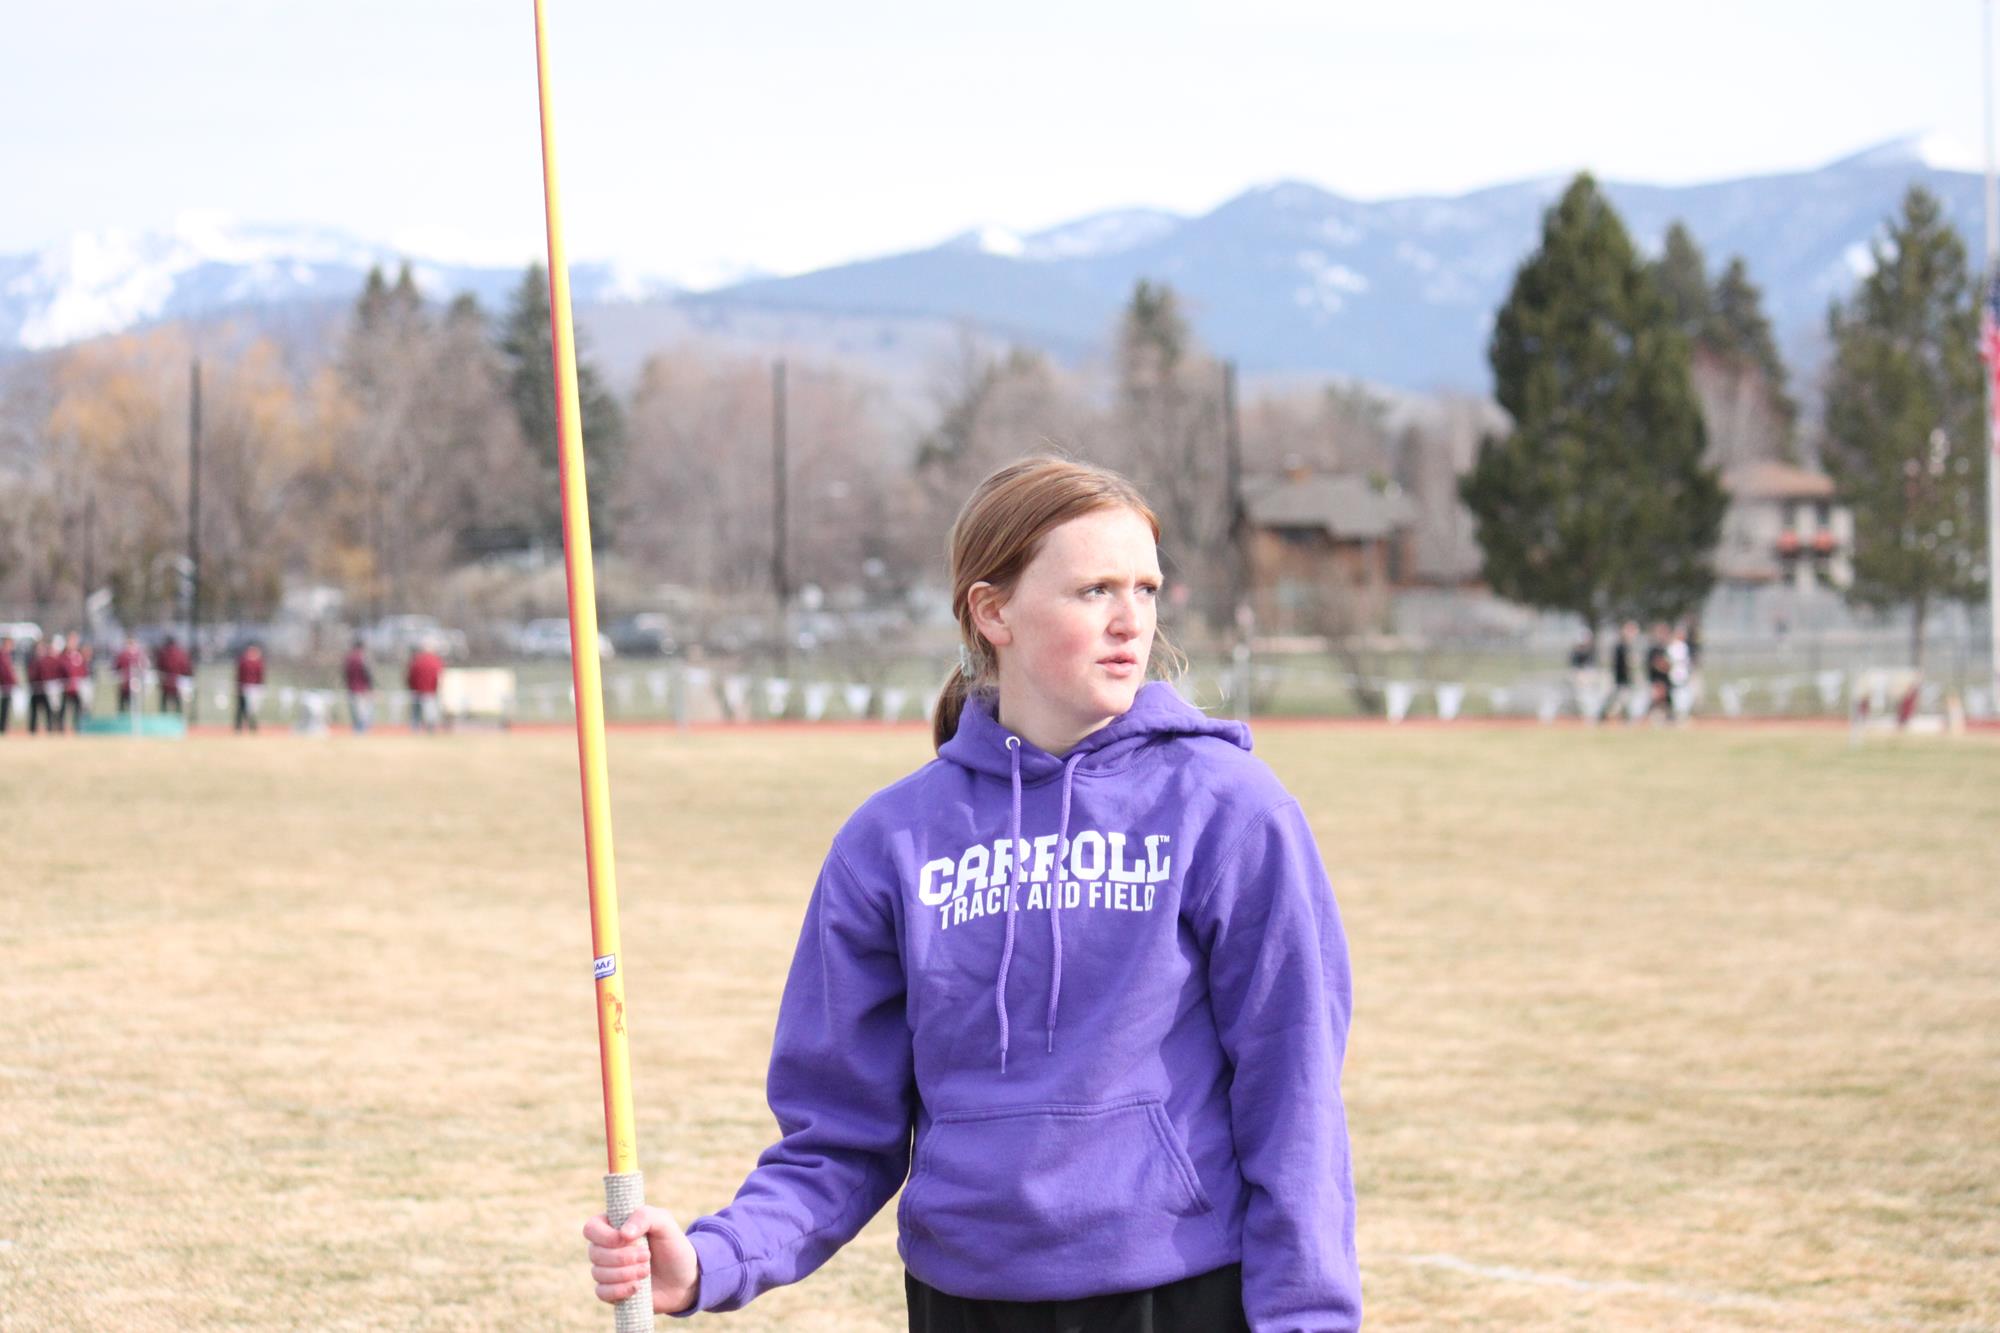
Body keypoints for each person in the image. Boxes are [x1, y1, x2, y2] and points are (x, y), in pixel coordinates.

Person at [582, 458, 1359, 1330]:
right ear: (994, 612)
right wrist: (712, 1258)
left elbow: (1294, 1097)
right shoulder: (892, 841)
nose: (1129, 620)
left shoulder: (1228, 806)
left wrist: (1310, 1317)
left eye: (1145, 587)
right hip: (967, 1300)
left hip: (1176, 1291)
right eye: (1093, 589)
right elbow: (840, 1134)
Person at [406, 642, 443, 733]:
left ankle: (415, 729)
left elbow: (410, 675)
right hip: (430, 690)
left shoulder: (416, 660)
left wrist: (411, 686)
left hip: (416, 689)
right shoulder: (435, 661)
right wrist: (436, 688)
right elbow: (438, 676)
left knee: (416, 712)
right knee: (429, 711)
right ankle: (430, 729)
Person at [59, 632, 89, 731]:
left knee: (78, 710)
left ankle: (78, 728)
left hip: (77, 688)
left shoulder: (79, 656)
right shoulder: (63, 656)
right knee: (63, 710)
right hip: (66, 688)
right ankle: (61, 729)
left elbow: (83, 671)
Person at [343, 639, 374, 734]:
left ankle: (357, 731)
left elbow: (345, 674)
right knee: (363, 712)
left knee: (355, 713)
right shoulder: (362, 658)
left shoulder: (349, 658)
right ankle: (362, 731)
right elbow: (367, 673)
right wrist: (371, 688)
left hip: (351, 688)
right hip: (362, 689)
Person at [234, 642, 265, 733]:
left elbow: (261, 675)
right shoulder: (244, 661)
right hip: (245, 686)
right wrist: (238, 685)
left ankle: (252, 725)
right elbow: (239, 674)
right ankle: (239, 726)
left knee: (252, 709)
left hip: (255, 687)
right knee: (242, 707)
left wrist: (261, 686)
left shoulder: (258, 662)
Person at [156, 636, 192, 714]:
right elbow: (186, 666)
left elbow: (160, 666)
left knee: (164, 703)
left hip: (167, 682)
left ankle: (164, 719)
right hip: (177, 682)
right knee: (177, 703)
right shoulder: (180, 652)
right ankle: (178, 719)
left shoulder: (163, 653)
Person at [114, 635, 147, 714]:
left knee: (134, 704)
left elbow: (143, 668)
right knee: (124, 704)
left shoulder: (139, 655)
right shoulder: (123, 655)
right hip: (125, 683)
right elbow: (117, 667)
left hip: (134, 683)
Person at [0, 635, 16, 735]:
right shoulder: (2, 655)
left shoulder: (7, 655)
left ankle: (3, 727)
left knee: (6, 708)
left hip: (8, 686)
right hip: (4, 686)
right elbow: (4, 671)